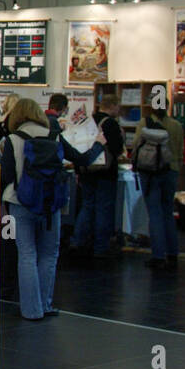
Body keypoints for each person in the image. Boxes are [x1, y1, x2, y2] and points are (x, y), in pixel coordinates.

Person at [0, 98, 104, 321]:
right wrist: (99, 144)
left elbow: (6, 177)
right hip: (50, 204)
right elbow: (81, 159)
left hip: (20, 203)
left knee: (26, 254)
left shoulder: (12, 139)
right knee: (49, 254)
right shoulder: (54, 136)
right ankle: (46, 304)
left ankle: (31, 310)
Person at [69, 94, 125, 259]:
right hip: (106, 173)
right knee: (104, 209)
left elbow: (77, 148)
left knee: (87, 206)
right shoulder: (110, 124)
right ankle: (100, 246)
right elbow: (117, 149)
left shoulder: (86, 121)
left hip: (87, 171)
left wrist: (79, 171)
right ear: (113, 105)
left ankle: (78, 241)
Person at [131, 102, 184, 270]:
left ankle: (158, 256)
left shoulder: (144, 123)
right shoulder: (176, 125)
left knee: (154, 213)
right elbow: (180, 150)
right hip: (171, 171)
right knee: (167, 212)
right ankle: (173, 253)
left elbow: (136, 147)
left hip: (150, 173)